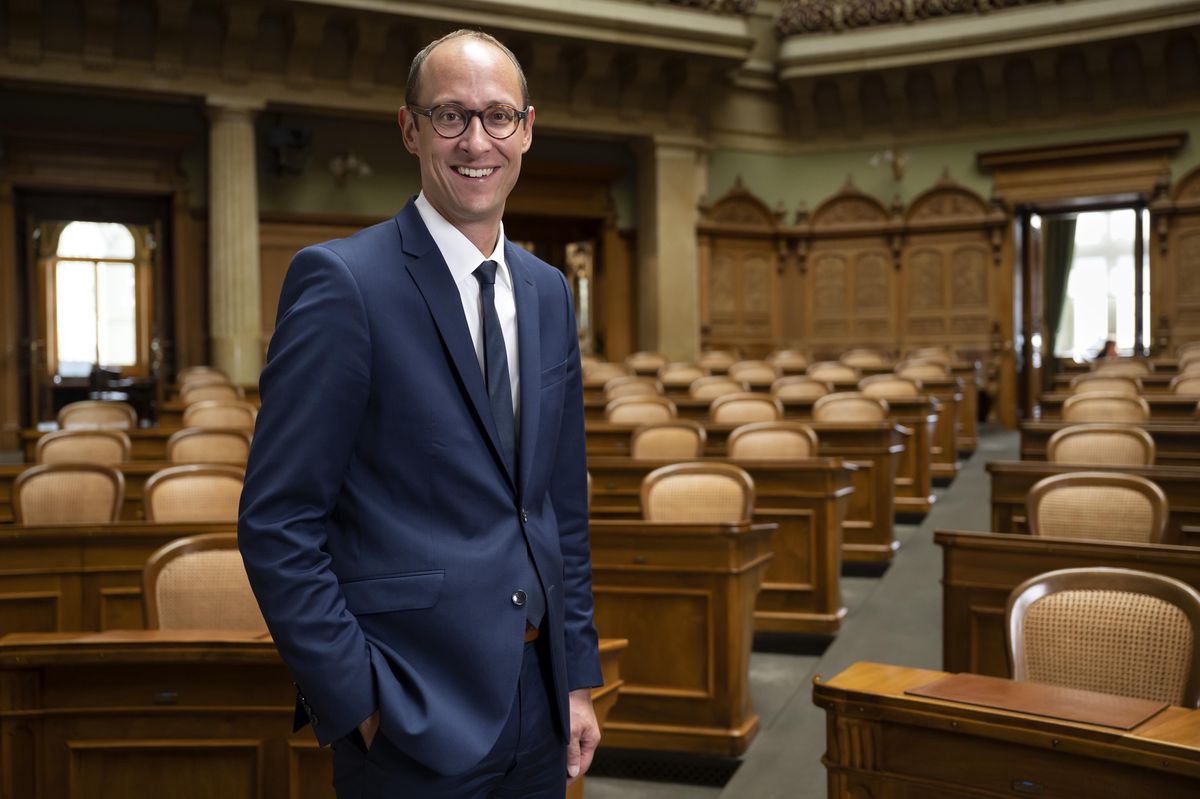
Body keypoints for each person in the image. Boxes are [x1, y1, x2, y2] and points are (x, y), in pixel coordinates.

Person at [238, 29, 602, 798]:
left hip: (537, 701)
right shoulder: (343, 283)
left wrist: (575, 678)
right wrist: (359, 701)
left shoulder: (546, 291)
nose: (478, 140)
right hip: (409, 716)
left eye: (499, 116)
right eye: (450, 115)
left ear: (528, 129)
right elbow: (278, 521)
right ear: (410, 129)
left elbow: (559, 506)